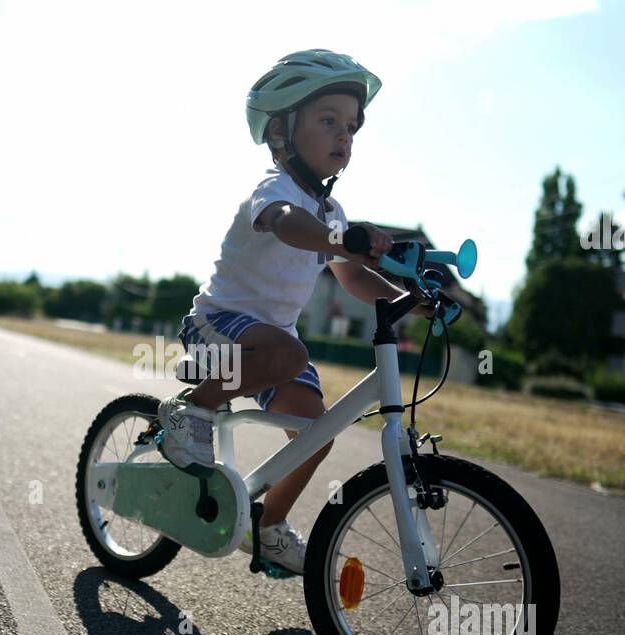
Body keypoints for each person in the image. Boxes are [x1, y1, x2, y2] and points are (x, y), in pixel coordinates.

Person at [157, 50, 433, 576]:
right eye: (328, 121)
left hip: (274, 347)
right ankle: (191, 410)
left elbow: (351, 276)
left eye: (350, 127)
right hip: (217, 326)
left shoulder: (332, 212)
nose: (344, 136)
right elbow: (285, 225)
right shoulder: (275, 191)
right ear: (282, 131)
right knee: (289, 351)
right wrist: (343, 239)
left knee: (315, 433)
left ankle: (268, 527)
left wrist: (407, 299)